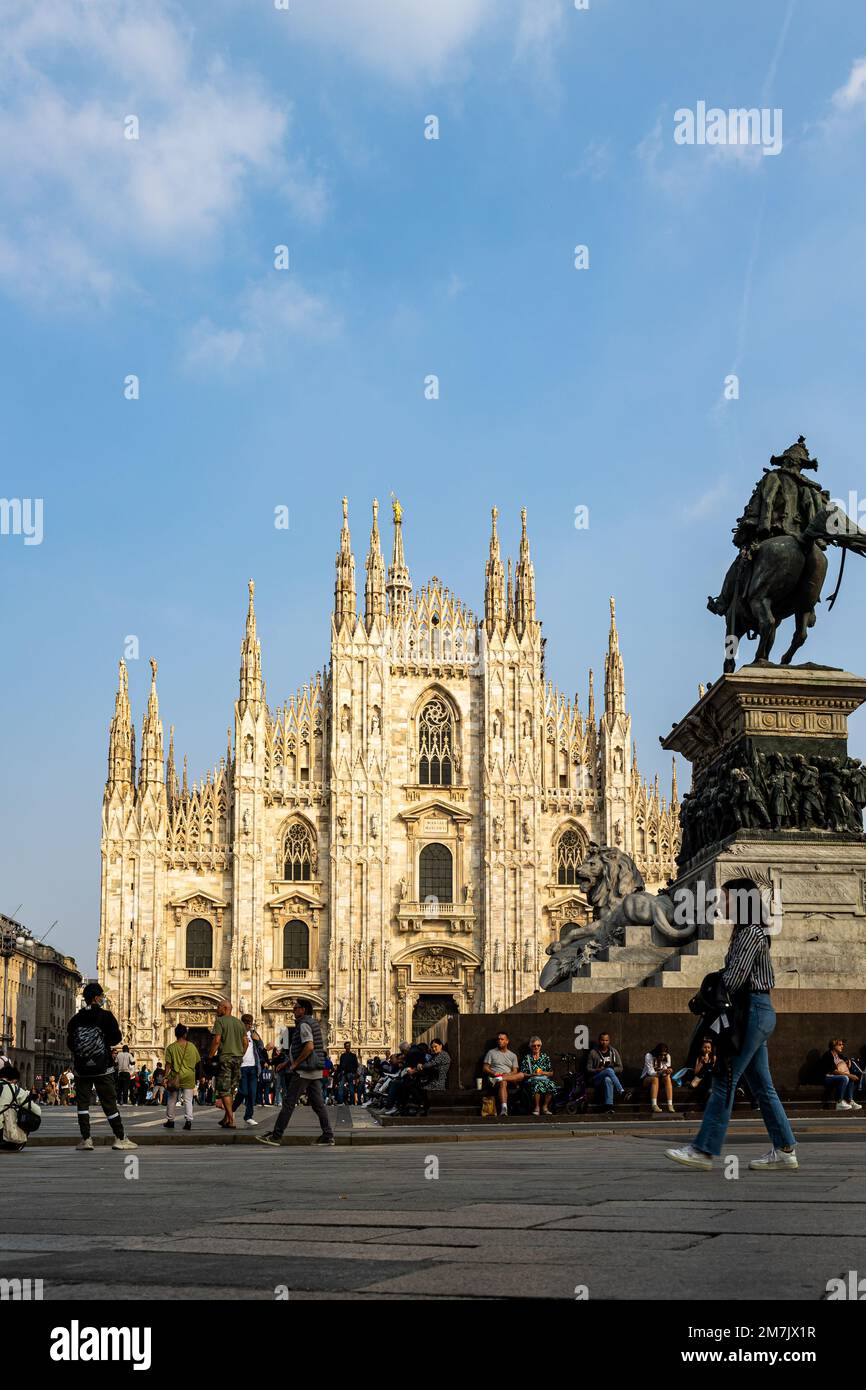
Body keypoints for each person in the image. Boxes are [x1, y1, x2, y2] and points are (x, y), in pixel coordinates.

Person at [666, 878, 798, 1173]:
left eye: (725, 898)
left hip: (751, 1010)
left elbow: (736, 977)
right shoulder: (747, 931)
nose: (721, 903)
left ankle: (703, 1149)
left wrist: (706, 994)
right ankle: (785, 1149)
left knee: (725, 1078)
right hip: (755, 1011)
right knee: (763, 1086)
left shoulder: (750, 932)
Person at [66, 981, 137, 1151]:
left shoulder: (76, 1019)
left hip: (82, 1069)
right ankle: (120, 1138)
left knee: (83, 1105)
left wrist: (83, 1053)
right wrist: (101, 1044)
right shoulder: (105, 1016)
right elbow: (116, 1038)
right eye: (102, 996)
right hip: (102, 1068)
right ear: (97, 998)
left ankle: (86, 1139)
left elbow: (70, 1043)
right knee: (109, 1104)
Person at [256, 1000, 335, 1147]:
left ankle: (276, 1136)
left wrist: (295, 1064)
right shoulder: (312, 1023)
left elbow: (309, 1047)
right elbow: (303, 1048)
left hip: (304, 1071)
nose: (293, 1010)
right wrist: (286, 1063)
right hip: (313, 1071)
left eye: (296, 1008)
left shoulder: (304, 1024)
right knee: (318, 1105)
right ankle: (328, 1135)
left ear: (303, 1010)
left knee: (288, 1103)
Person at [207, 1000, 246, 1129]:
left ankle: (231, 1119)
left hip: (225, 1059)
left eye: (218, 1007)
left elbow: (217, 1040)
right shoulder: (239, 1023)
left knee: (224, 1090)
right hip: (238, 1059)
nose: (217, 1009)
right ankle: (226, 1119)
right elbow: (246, 1042)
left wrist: (210, 1056)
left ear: (225, 1008)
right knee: (231, 1089)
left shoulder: (220, 1021)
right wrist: (240, 1054)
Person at [163, 1024, 201, 1131]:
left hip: (175, 1076)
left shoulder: (171, 1047)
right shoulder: (192, 1046)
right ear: (185, 1034)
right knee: (188, 1100)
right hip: (189, 1076)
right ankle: (188, 1121)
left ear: (175, 1034)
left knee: (172, 1099)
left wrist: (165, 1077)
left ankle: (170, 1121)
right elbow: (198, 1061)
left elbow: (168, 1064)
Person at [232, 1014, 263, 1127]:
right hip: (242, 1067)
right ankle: (232, 1109)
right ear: (242, 1023)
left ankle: (248, 1116)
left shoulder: (253, 1034)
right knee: (243, 1091)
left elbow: (261, 1048)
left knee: (252, 1093)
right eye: (247, 1023)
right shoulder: (237, 1034)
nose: (250, 1025)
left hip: (253, 1067)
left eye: (251, 1023)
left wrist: (258, 1040)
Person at [0, 1063, 40, 1152]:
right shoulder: (15, 1089)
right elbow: (37, 1111)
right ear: (14, 1080)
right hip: (3, 1132)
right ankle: (10, 1143)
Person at [482, 1031, 523, 1118]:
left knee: (521, 1075)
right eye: (498, 1039)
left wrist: (507, 1074)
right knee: (503, 1082)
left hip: (508, 1077)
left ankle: (502, 1078)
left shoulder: (512, 1055)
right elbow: (485, 1068)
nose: (499, 1041)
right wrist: (494, 1073)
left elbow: (515, 1071)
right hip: (494, 1078)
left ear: (507, 1041)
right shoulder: (491, 1053)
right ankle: (504, 1108)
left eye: (502, 1039)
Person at [586, 1032, 625, 1116]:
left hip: (608, 1078)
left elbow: (620, 1068)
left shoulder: (613, 1052)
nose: (604, 1042)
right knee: (608, 1070)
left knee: (608, 1078)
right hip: (596, 1079)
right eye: (602, 1040)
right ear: (599, 1041)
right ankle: (621, 1091)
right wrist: (598, 1070)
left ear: (609, 1041)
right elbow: (588, 1069)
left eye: (606, 1040)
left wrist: (610, 1070)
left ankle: (608, 1107)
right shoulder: (593, 1052)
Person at [821, 1038, 864, 1111]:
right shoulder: (828, 1055)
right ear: (834, 1046)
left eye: (842, 1045)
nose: (842, 1046)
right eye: (840, 1045)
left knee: (850, 1077)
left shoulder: (838, 1055)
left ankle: (849, 1101)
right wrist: (849, 1075)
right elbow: (834, 1071)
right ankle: (839, 1102)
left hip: (834, 1076)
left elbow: (845, 1058)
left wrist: (848, 1061)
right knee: (845, 1078)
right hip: (827, 1077)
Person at [520, 1037, 557, 1117]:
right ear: (530, 1047)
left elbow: (551, 1073)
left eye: (538, 1045)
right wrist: (532, 1074)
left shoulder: (545, 1057)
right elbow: (523, 1073)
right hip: (532, 1079)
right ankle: (537, 1107)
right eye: (534, 1046)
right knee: (537, 1084)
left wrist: (543, 1072)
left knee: (552, 1085)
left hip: (544, 1079)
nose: (536, 1047)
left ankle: (545, 1106)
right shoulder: (527, 1058)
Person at [641, 1042, 675, 1114]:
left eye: (664, 1055)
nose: (663, 1056)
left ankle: (670, 1104)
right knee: (655, 1078)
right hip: (647, 1078)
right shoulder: (649, 1056)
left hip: (661, 1078)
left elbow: (667, 1067)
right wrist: (661, 1072)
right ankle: (654, 1105)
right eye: (661, 1055)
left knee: (667, 1077)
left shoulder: (667, 1056)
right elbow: (650, 1072)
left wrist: (668, 1071)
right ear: (657, 1053)